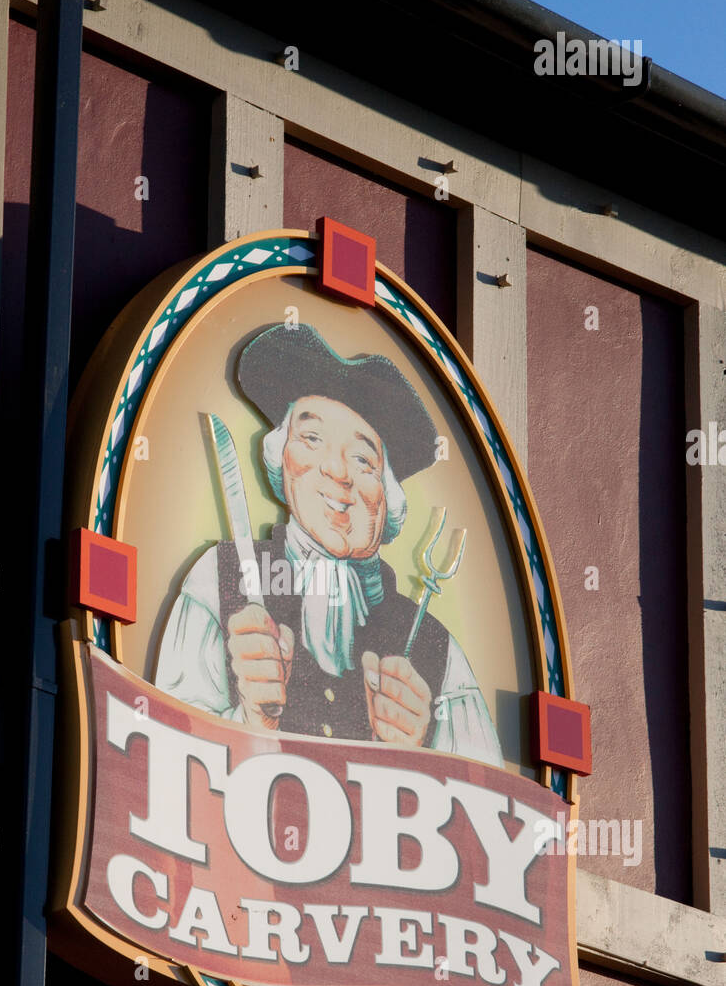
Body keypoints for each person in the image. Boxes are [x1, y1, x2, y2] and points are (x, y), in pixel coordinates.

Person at [154, 323, 502, 765]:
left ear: (387, 499)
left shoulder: (438, 654)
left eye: (362, 458)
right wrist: (246, 718)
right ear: (283, 460)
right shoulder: (218, 583)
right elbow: (158, 764)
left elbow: (488, 803)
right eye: (312, 439)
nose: (337, 472)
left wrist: (425, 756)